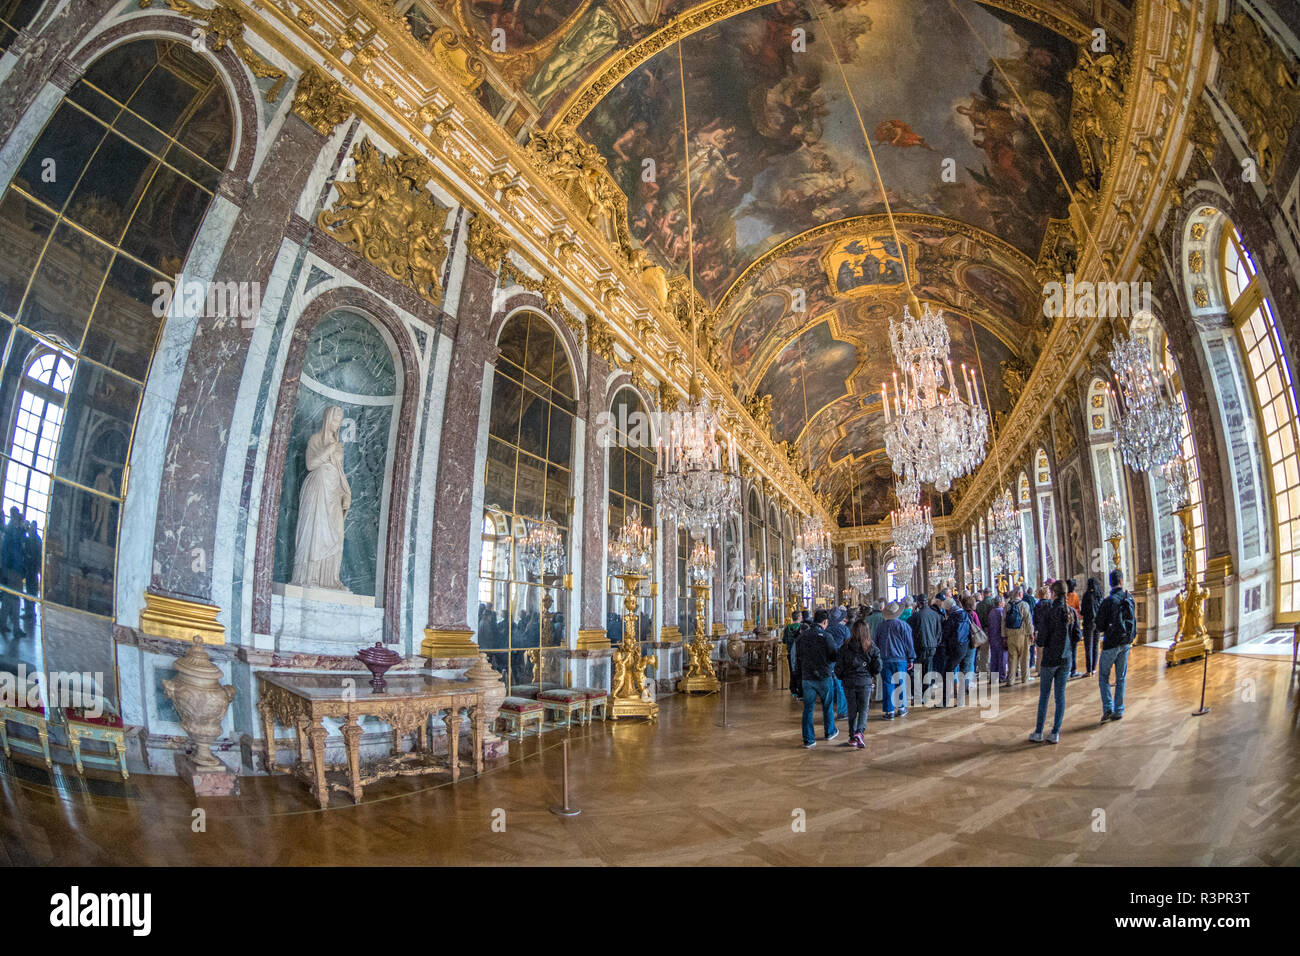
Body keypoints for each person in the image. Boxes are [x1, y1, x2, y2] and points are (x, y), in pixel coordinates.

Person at [1030, 580, 1080, 743]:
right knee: (1060, 695)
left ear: (1054, 593)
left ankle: (1038, 732)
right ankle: (1055, 732)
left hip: (1050, 659)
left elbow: (1041, 641)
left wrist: (1040, 638)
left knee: (1044, 695)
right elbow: (1077, 636)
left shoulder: (1049, 612)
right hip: (1066, 658)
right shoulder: (1071, 611)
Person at [1095, 569, 1137, 722]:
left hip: (1111, 643)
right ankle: (1119, 710)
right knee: (1121, 678)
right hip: (1125, 642)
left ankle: (1108, 708)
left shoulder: (1108, 601)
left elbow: (1099, 625)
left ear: (1111, 583)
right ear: (1121, 581)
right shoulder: (1128, 597)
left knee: (1103, 677)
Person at [793, 616, 840, 747]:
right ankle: (829, 731)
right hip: (824, 676)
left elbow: (798, 657)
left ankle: (808, 739)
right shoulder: (826, 636)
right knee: (827, 705)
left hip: (807, 677)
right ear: (825, 621)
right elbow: (833, 656)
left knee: (808, 709)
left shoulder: (802, 637)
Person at [837, 619, 881, 747]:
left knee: (852, 709)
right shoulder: (871, 646)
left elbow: (839, 666)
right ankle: (860, 732)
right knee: (863, 709)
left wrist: (842, 677)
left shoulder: (845, 647)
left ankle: (852, 736)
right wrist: (871, 674)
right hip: (864, 681)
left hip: (849, 681)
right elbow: (877, 665)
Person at [875, 601, 914, 718]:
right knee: (900, 683)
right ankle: (901, 708)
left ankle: (889, 711)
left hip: (885, 659)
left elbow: (876, 642)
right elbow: (909, 643)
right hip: (900, 659)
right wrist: (911, 658)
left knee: (887, 684)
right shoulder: (903, 625)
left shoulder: (881, 626)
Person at [940, 596, 971, 706]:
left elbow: (946, 635)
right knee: (962, 672)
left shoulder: (952, 618)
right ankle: (960, 700)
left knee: (947, 672)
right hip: (966, 646)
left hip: (956, 647)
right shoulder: (966, 614)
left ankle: (945, 701)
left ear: (948, 608)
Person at [1, 508, 27, 636]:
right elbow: (12, 550)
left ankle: (2, 623)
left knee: (7, 598)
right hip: (13, 569)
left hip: (12, 568)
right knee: (15, 598)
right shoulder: (12, 530)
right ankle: (16, 628)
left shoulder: (11, 529)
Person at [822, 608, 849, 718]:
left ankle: (828, 712)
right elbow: (848, 645)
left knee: (828, 686)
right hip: (840, 660)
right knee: (840, 686)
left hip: (827, 660)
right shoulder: (844, 629)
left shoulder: (825, 629)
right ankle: (842, 711)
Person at [1004, 586, 1033, 684]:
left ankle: (1010, 680)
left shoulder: (1007, 606)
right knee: (1025, 658)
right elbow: (1028, 620)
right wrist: (1031, 633)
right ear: (1020, 594)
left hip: (1010, 635)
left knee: (1012, 659)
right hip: (1022, 634)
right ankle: (1025, 678)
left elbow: (1003, 622)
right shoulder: (1024, 604)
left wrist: (1004, 635)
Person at [1081, 577, 1103, 676]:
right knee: (1095, 646)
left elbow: (1082, 611)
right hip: (1097, 623)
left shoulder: (1086, 596)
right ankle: (1094, 669)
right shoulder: (1099, 595)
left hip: (1088, 623)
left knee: (1088, 647)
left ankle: (1089, 670)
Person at [783, 609, 803, 700]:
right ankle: (800, 689)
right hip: (800, 653)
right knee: (800, 672)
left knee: (792, 671)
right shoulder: (802, 627)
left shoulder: (787, 628)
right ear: (799, 617)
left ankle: (793, 689)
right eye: (801, 616)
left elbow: (784, 640)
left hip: (790, 652)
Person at [987, 593, 1007, 685]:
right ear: (1000, 602)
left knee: (993, 658)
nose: (1004, 603)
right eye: (1003, 601)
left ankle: (993, 677)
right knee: (1002, 657)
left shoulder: (991, 612)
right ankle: (1002, 677)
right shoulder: (1001, 611)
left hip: (992, 637)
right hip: (1000, 637)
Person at [22, 520, 40, 617]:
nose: (30, 528)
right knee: (30, 589)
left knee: (31, 590)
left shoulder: (35, 539)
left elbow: (35, 555)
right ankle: (29, 610)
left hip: (32, 569)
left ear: (35, 528)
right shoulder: (32, 538)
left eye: (32, 527)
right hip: (30, 567)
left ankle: (30, 612)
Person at [1066, 578, 1082, 676]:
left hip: (1066, 623)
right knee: (1074, 648)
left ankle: (1067, 669)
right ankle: (1073, 670)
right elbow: (1077, 608)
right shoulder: (1075, 596)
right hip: (1074, 621)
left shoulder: (1065, 596)